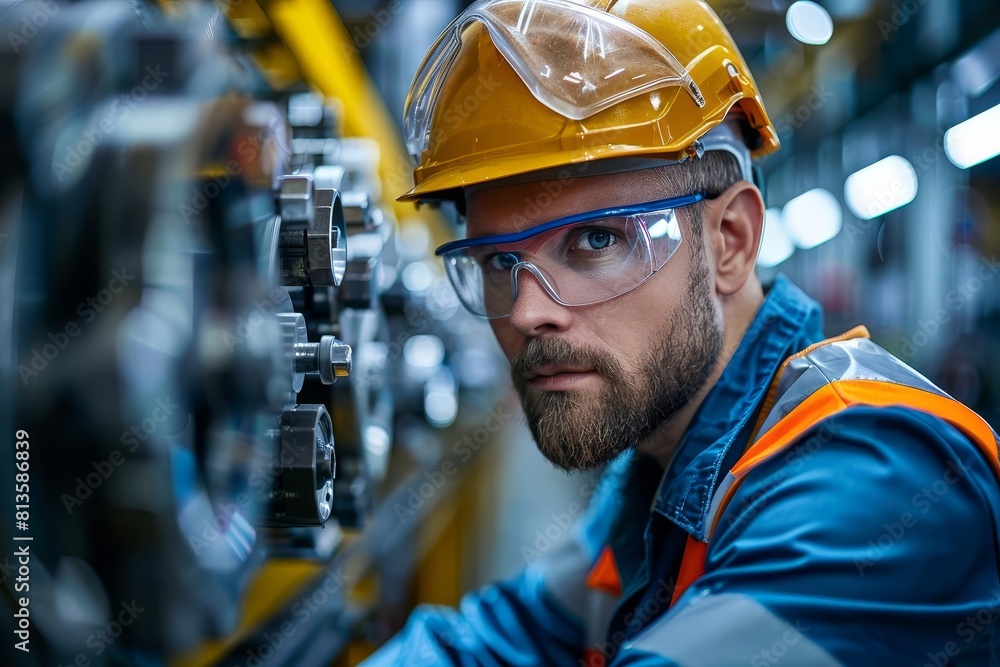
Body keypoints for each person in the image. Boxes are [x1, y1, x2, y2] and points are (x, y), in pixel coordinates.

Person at [364, 0, 1000, 664]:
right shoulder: (656, 471)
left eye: (597, 239)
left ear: (731, 240)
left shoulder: (882, 476)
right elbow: (494, 641)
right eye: (500, 260)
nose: (527, 312)